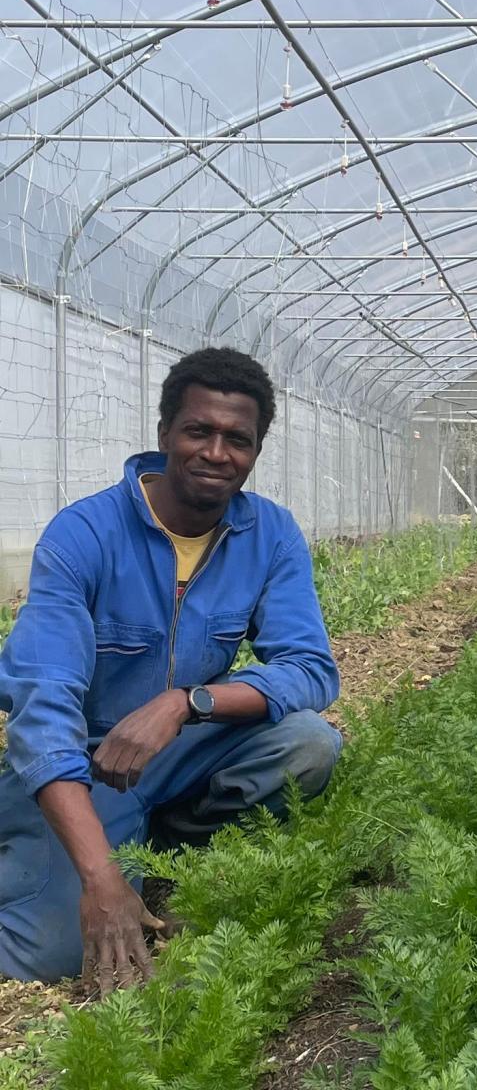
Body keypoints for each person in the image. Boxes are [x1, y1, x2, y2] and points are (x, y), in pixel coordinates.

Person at [0, 347, 341, 992]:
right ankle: (85, 854)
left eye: (237, 439)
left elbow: (310, 668)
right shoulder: (85, 535)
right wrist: (100, 882)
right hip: (88, 766)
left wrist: (187, 704)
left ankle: (170, 847)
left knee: (310, 743)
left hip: (177, 748)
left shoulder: (269, 534)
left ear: (256, 450)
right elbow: (41, 710)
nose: (217, 453)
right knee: (57, 949)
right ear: (165, 436)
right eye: (199, 431)